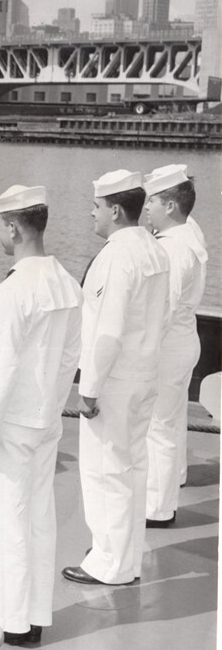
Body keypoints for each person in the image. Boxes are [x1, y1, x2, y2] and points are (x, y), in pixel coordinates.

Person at [0, 185, 82, 647]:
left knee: (4, 523)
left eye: (1, 226)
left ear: (15, 228)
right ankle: (35, 616)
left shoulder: (13, 289)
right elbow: (70, 358)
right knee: (39, 518)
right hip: (46, 421)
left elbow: (3, 365)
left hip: (13, 423)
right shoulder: (68, 283)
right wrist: (52, 408)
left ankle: (8, 622)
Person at [62, 169, 169, 586]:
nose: (93, 214)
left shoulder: (116, 256)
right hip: (144, 374)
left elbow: (107, 329)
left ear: (117, 211)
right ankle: (125, 556)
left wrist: (88, 390)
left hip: (115, 381)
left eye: (97, 206)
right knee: (133, 469)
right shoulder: (153, 249)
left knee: (106, 472)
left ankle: (109, 563)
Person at [142, 164, 207, 528]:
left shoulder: (171, 249)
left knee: (159, 428)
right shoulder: (187, 233)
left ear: (169, 206)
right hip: (184, 339)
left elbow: (161, 311)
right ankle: (173, 480)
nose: (146, 207)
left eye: (151, 200)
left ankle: (157, 509)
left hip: (167, 346)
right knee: (172, 419)